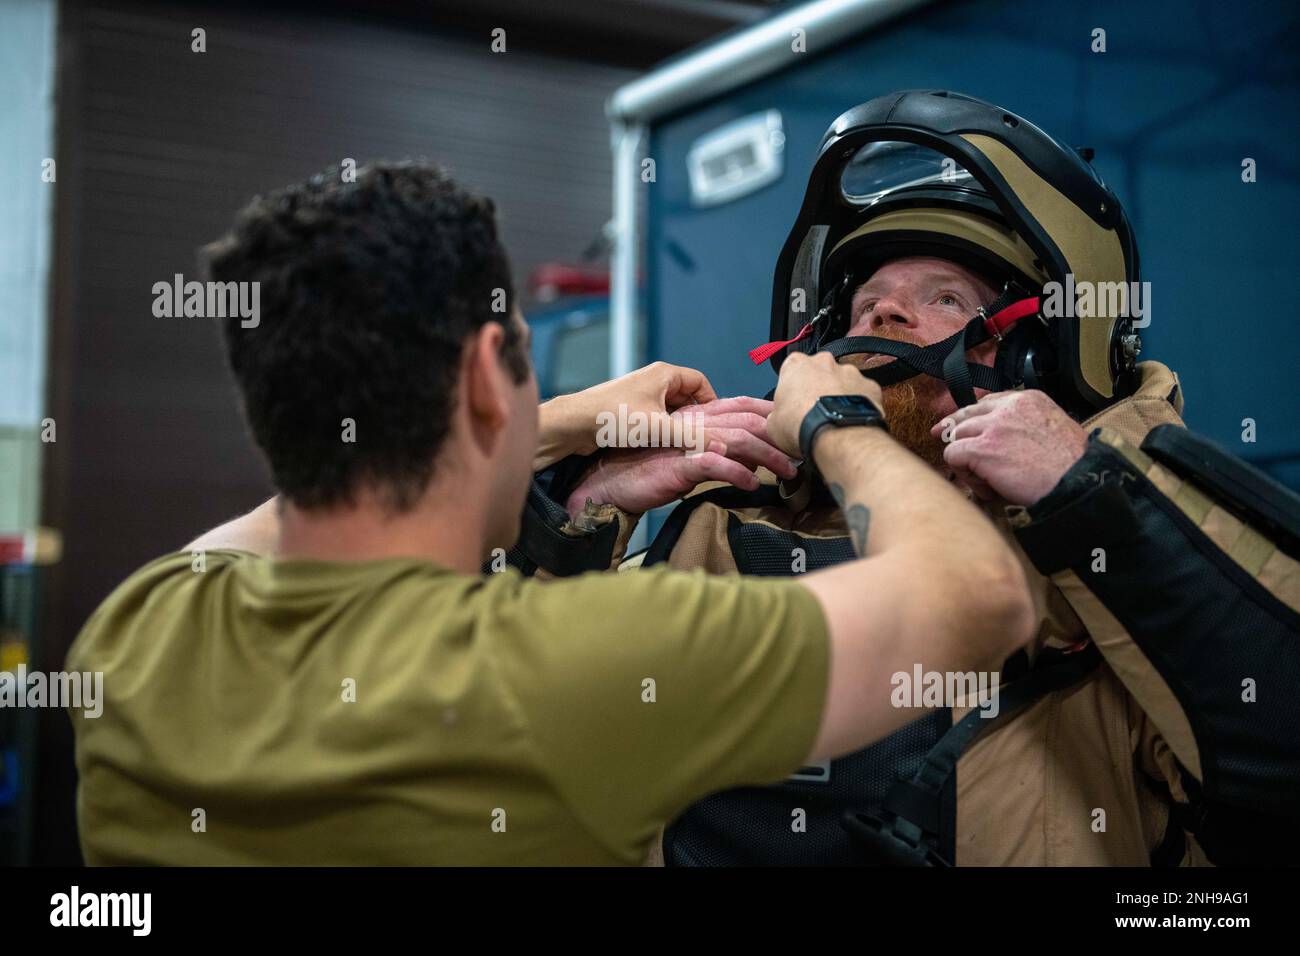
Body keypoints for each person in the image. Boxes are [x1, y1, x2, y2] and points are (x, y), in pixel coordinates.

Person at [64, 161, 1035, 866]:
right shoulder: (586, 660)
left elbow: (285, 511)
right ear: (489, 377)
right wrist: (835, 423)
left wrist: (561, 432)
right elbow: (977, 596)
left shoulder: (135, 628)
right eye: (525, 358)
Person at [527, 91, 1300, 866]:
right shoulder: (724, 526)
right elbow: (508, 752)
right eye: (867, 301)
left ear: (1030, 359)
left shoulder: (1097, 569)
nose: (887, 311)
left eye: (944, 297)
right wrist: (577, 518)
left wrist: (1087, 492)